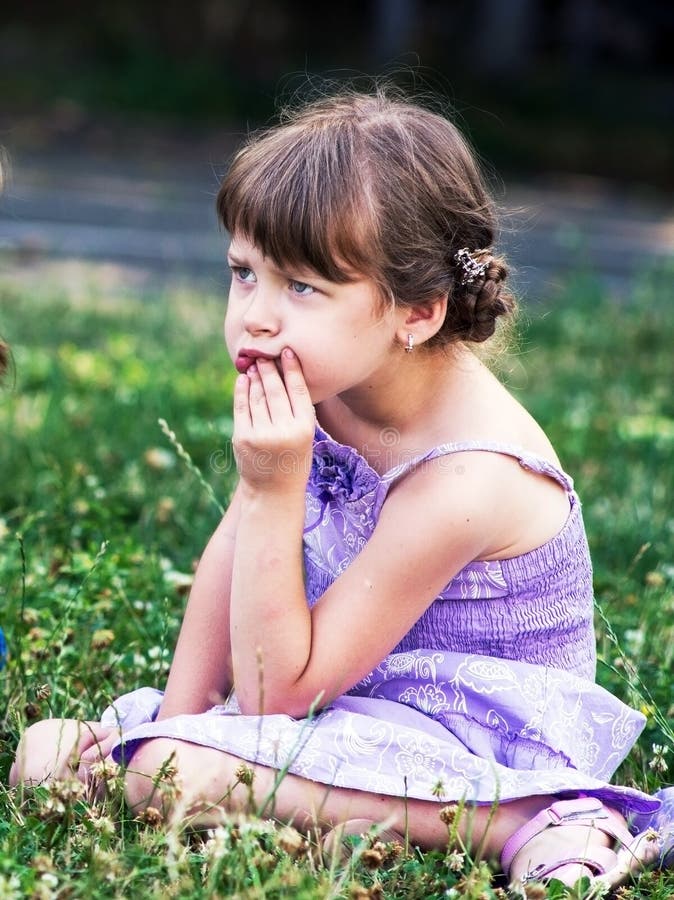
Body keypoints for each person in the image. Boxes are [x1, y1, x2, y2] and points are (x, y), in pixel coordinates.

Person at [10, 87, 673, 889]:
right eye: (243, 273)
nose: (255, 316)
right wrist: (176, 716)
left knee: (178, 773)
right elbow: (236, 551)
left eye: (302, 288)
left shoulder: (470, 476)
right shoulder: (328, 377)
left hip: (466, 739)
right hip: (338, 691)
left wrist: (272, 487)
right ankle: (255, 786)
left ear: (418, 312)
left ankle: (532, 817)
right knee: (51, 752)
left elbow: (275, 695)